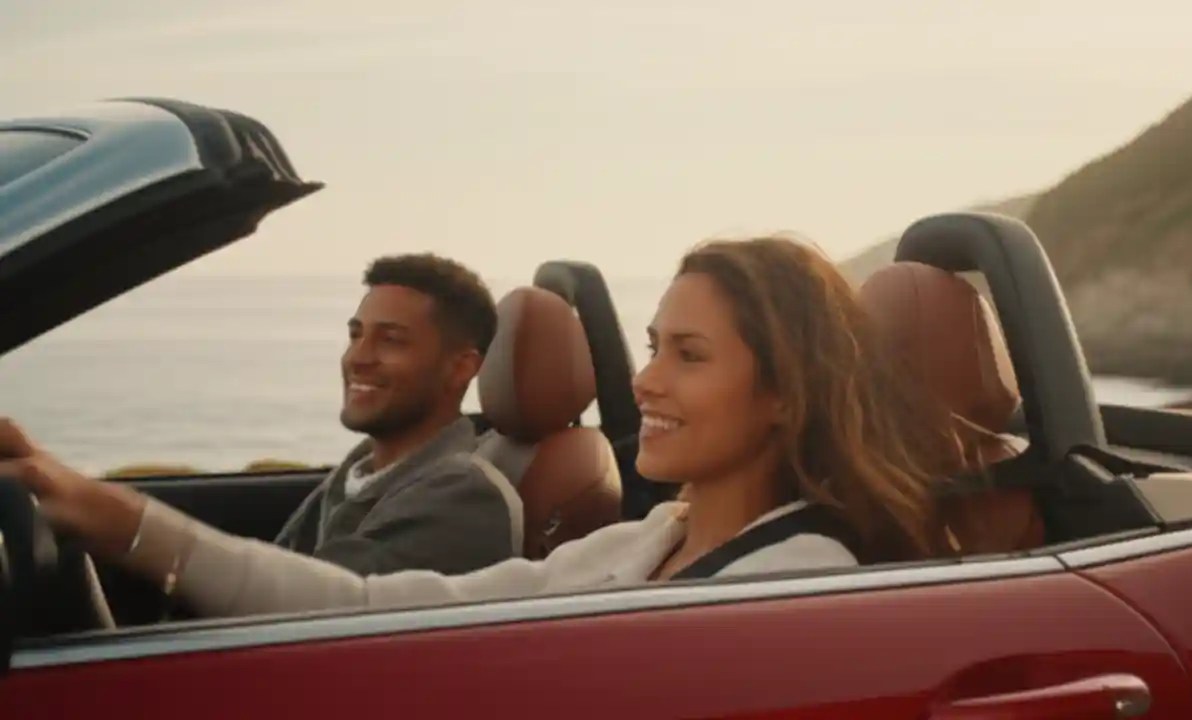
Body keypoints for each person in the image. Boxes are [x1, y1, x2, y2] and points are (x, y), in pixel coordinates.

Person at [0, 235, 958, 620]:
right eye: (655, 344)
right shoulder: (644, 542)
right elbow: (380, 611)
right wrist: (112, 515)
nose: (645, 378)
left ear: (787, 392)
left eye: (691, 356)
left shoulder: (791, 587)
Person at [272, 253, 520, 576]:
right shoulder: (360, 469)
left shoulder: (464, 497)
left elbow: (313, 600)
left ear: (460, 368)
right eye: (356, 335)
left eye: (391, 340)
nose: (357, 358)